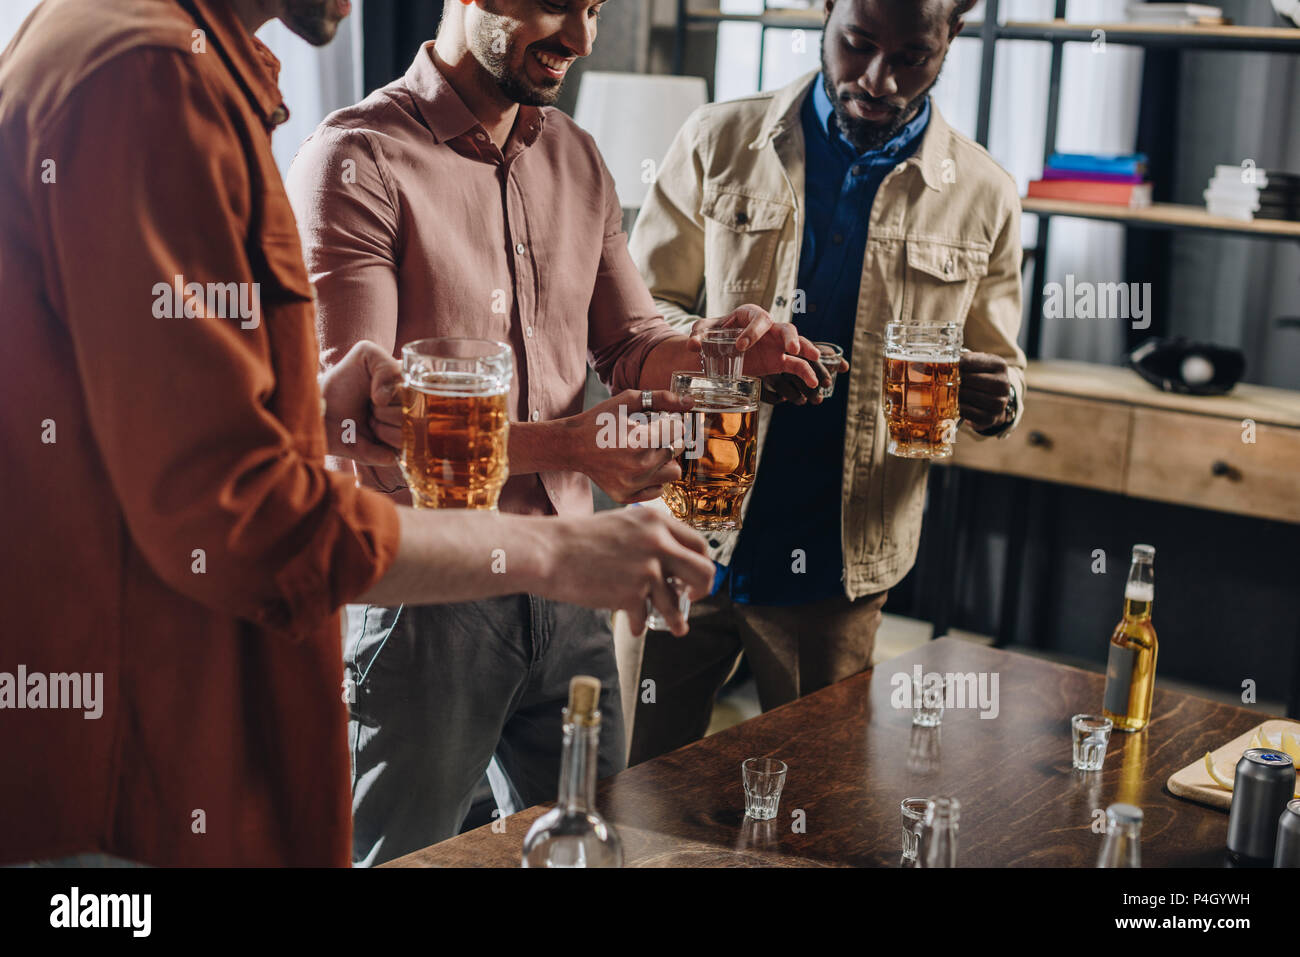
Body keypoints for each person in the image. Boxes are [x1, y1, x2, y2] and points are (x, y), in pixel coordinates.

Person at [0, 0, 714, 867]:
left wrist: (312, 407)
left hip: (144, 731)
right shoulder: (158, 77)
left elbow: (162, 412)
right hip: (130, 756)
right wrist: (562, 551)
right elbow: (244, 508)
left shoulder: (144, 52)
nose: (582, 34)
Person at [285, 0, 824, 866]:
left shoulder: (574, 155)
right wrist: (571, 445)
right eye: (552, 3)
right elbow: (365, 433)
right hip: (429, 597)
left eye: (594, 8)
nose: (578, 37)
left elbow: (630, 342)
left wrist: (723, 344)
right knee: (405, 858)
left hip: (574, 585)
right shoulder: (358, 159)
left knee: (587, 848)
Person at [625, 0, 1028, 764]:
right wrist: (724, 352)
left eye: (911, 56)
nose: (877, 78)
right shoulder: (719, 139)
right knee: (634, 782)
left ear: (952, 41)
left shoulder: (985, 193)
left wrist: (999, 397)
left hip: (838, 563)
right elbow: (638, 317)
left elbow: (1003, 366)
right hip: (681, 525)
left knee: (810, 808)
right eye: (857, 44)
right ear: (826, 12)